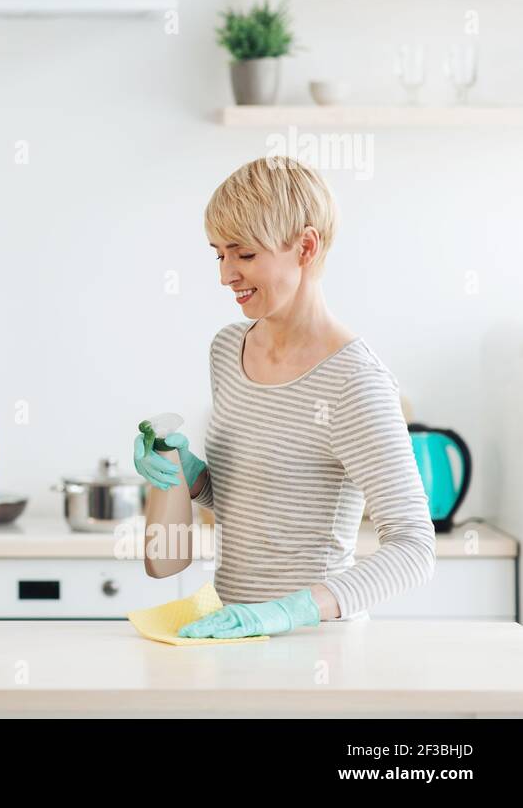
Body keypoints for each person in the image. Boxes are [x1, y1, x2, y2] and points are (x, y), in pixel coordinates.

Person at [133, 156, 435, 638]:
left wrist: (287, 612)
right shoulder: (229, 349)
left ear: (306, 247)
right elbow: (256, 503)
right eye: (218, 254)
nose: (225, 275)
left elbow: (414, 548)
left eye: (244, 254)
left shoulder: (354, 380)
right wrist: (191, 479)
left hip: (316, 644)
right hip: (230, 633)